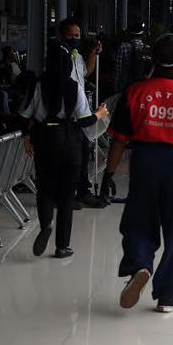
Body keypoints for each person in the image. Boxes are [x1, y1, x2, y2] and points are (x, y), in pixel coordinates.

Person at [102, 33, 173, 313]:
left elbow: (118, 140)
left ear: (152, 59)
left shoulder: (134, 93)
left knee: (139, 220)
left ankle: (140, 264)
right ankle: (169, 295)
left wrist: (108, 174)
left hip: (144, 161)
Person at [19, 41, 109, 258]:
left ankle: (46, 224)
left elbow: (23, 115)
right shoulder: (73, 86)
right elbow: (85, 120)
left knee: (45, 190)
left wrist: (26, 138)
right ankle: (62, 247)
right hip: (70, 144)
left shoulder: (38, 85)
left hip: (45, 143)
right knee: (67, 196)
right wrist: (100, 113)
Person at [57, 18, 106, 208]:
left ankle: (82, 191)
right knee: (68, 158)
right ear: (62, 35)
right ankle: (65, 195)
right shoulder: (59, 57)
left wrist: (93, 53)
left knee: (83, 153)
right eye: (71, 35)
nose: (75, 38)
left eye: (77, 35)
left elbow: (86, 72)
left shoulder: (76, 56)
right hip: (65, 115)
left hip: (80, 113)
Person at [113, 22, 148, 92]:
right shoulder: (146, 48)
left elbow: (118, 68)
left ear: (130, 34)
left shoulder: (123, 46)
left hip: (126, 83)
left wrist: (115, 84)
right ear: (141, 34)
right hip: (142, 84)